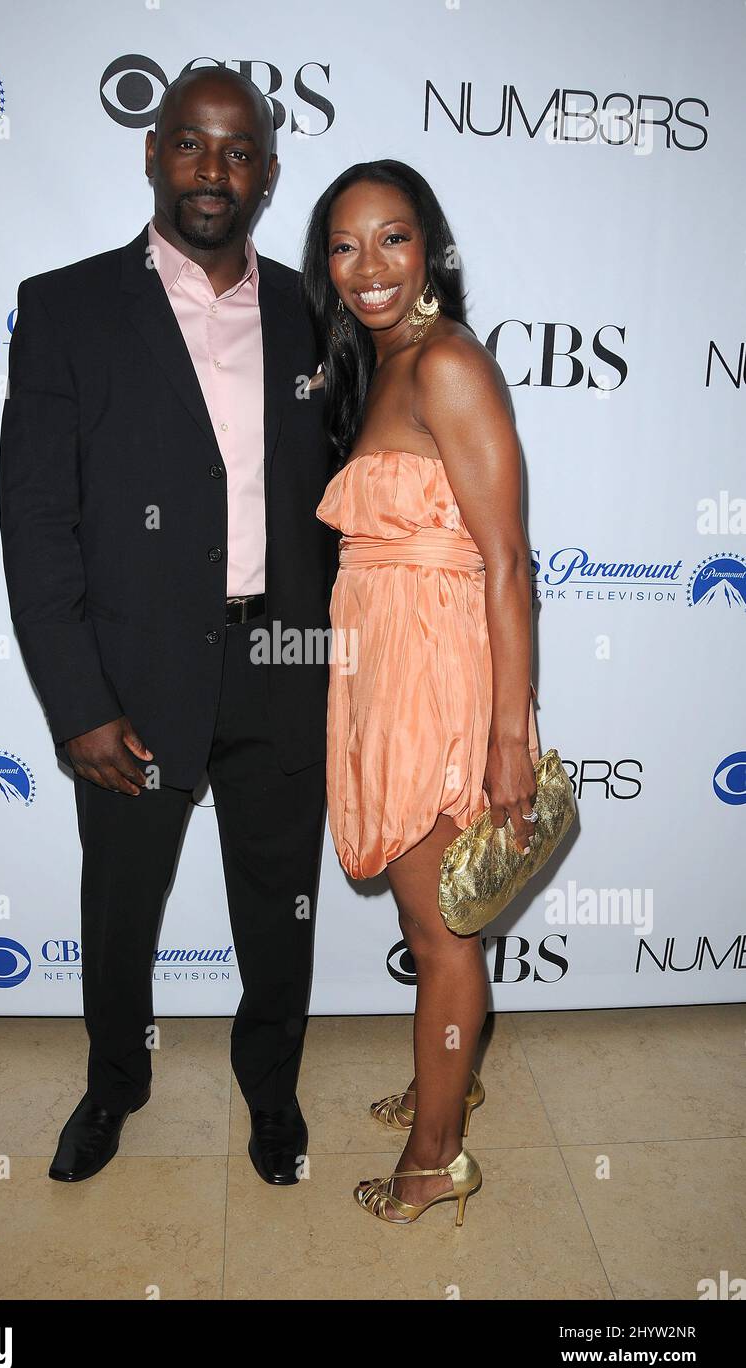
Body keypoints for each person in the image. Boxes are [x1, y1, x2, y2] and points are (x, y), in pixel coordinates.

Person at [0, 67, 336, 1186]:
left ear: (270, 175)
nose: (212, 170)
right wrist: (78, 700)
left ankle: (272, 1092)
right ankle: (114, 1080)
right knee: (122, 905)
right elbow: (38, 521)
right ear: (152, 156)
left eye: (238, 152)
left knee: (279, 909)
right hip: (133, 680)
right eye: (189, 144)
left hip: (285, 667)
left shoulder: (315, 314)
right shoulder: (66, 307)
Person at [303, 160, 541, 1225]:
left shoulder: (447, 363)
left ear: (430, 246)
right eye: (346, 246)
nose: (370, 268)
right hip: (384, 672)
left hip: (438, 683)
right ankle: (450, 1082)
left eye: (392, 239)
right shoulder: (380, 362)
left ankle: (434, 1157)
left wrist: (506, 740)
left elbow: (509, 565)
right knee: (436, 917)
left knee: (441, 932)